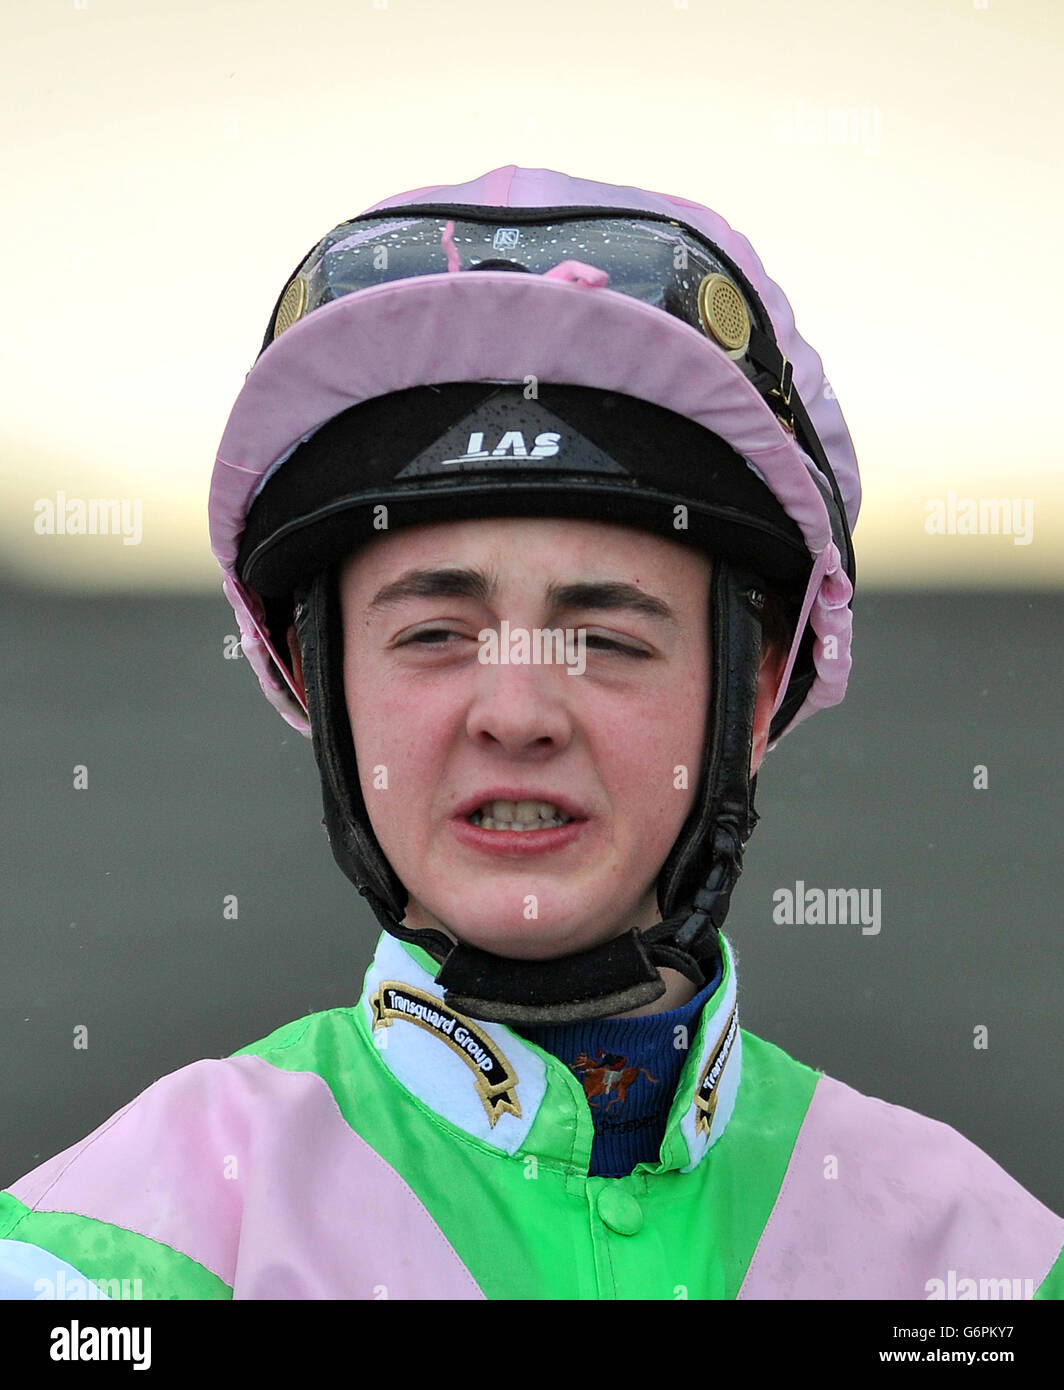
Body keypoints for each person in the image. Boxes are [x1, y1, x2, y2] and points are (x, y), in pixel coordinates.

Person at [1, 165, 1060, 1301]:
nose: (514, 714)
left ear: (750, 695)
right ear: (320, 679)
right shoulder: (98, 1257)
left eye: (604, 638)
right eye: (434, 633)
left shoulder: (987, 1266)